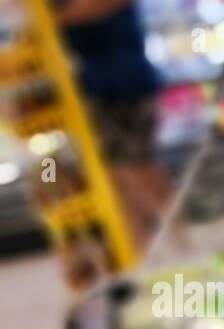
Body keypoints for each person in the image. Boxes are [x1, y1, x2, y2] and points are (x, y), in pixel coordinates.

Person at [56, 0, 171, 245]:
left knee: (139, 168)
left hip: (124, 84)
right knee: (116, 178)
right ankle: (144, 251)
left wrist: (57, 19)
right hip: (95, 92)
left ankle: (178, 242)